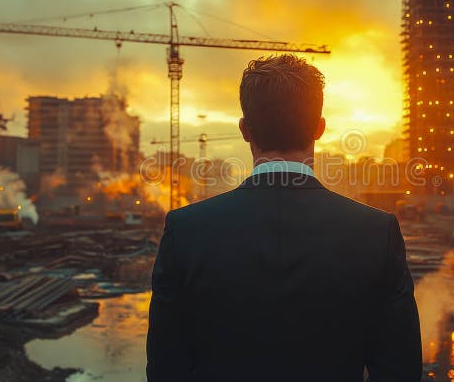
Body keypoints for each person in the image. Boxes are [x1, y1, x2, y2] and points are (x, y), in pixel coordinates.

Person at [147, 54, 422, 382]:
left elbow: (165, 370)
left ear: (245, 130)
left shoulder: (185, 231)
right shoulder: (378, 233)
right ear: (319, 128)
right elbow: (400, 371)